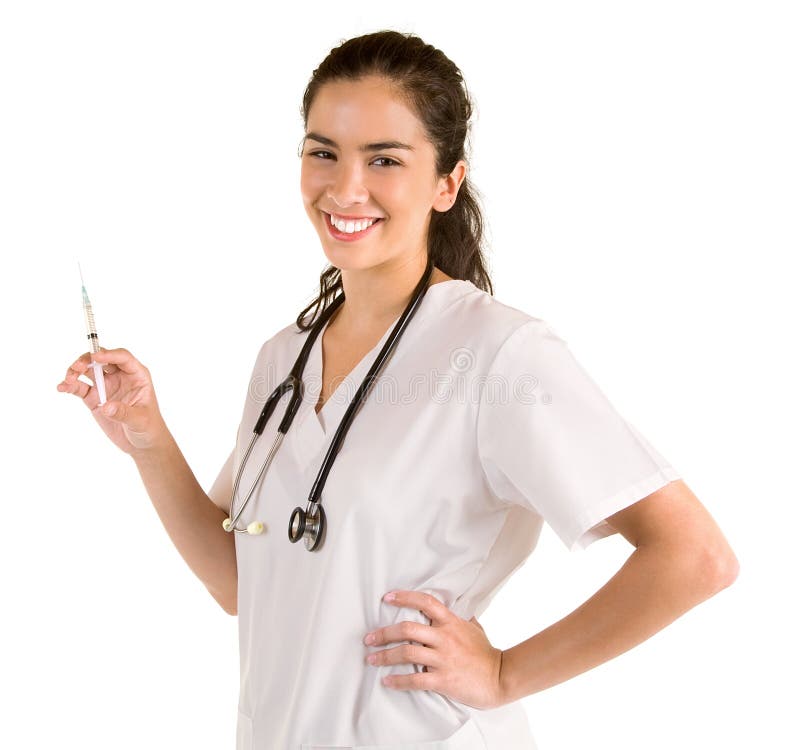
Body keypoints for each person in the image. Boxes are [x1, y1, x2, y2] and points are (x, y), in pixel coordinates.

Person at [57, 30, 739, 750]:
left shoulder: (498, 354)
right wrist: (148, 438)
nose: (344, 188)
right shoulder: (283, 359)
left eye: (384, 159)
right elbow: (239, 585)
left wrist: (505, 673)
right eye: (323, 152)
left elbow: (695, 557)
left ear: (446, 183)